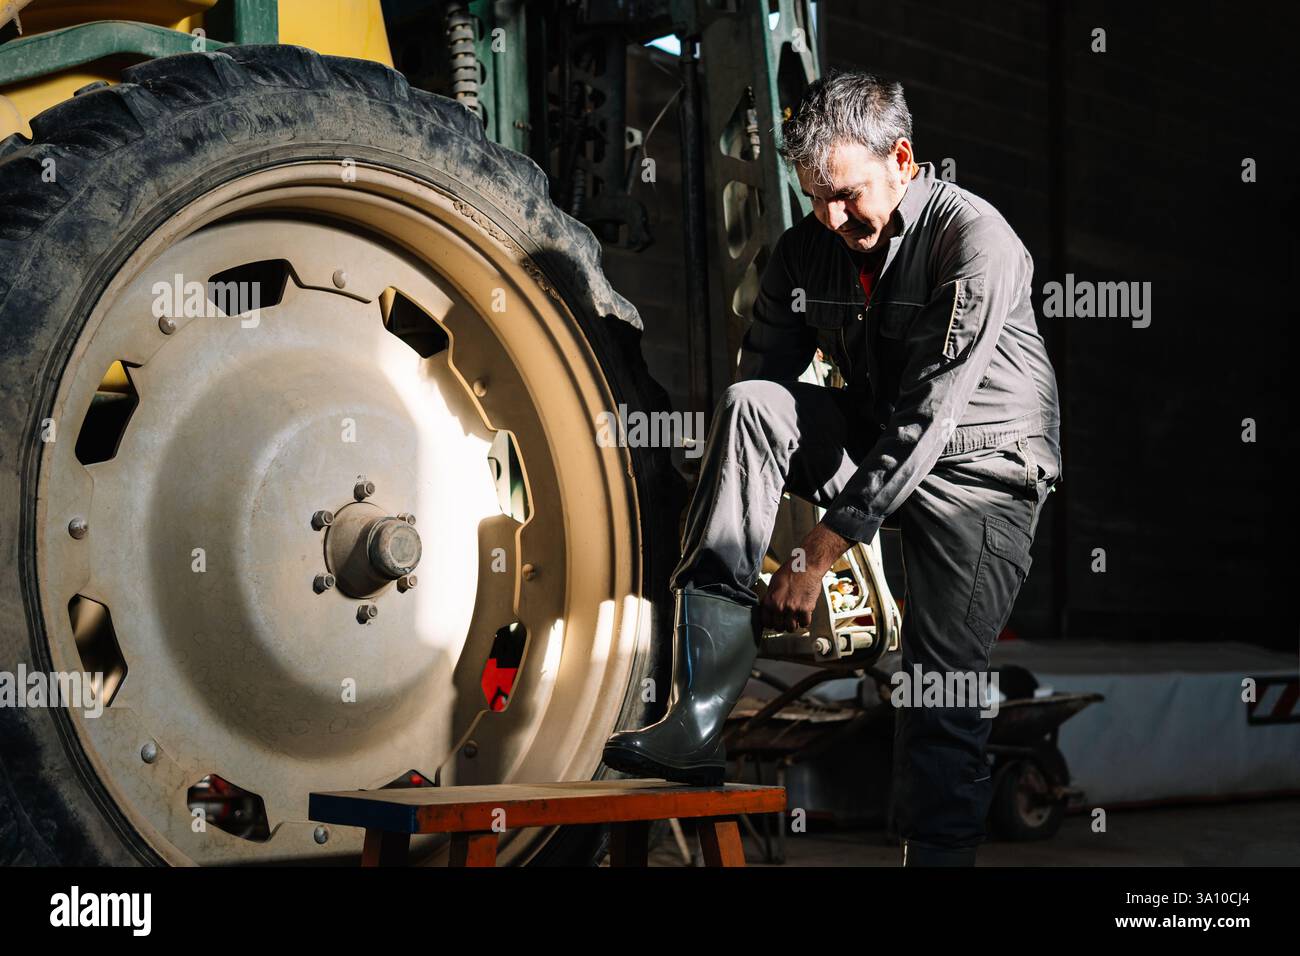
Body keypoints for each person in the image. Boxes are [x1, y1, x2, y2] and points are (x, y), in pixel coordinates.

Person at [603, 69, 1061, 866]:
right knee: (752, 404)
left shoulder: (974, 241)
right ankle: (699, 724)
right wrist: (738, 523)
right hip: (879, 438)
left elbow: (930, 417)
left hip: (981, 472)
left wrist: (818, 553)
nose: (833, 217)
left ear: (904, 160)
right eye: (815, 196)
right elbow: (768, 395)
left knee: (937, 689)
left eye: (848, 195)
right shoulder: (806, 251)